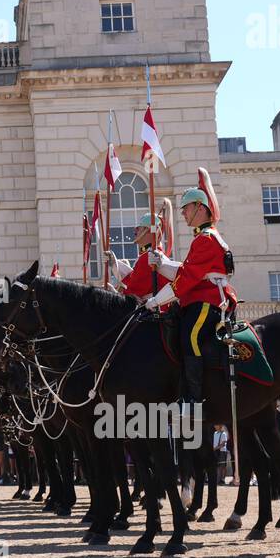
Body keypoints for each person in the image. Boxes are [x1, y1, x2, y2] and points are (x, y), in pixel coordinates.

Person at [145, 168, 237, 416]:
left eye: (186, 208)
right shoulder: (202, 239)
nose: (183, 213)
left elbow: (185, 281)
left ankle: (193, 401)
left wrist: (155, 300)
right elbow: (187, 271)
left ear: (199, 207)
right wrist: (162, 263)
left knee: (191, 338)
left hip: (208, 301)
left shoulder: (206, 240)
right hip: (199, 297)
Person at [107, 212, 171, 302]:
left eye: (138, 228)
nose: (135, 229)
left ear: (148, 230)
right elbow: (133, 278)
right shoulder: (147, 255)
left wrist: (111, 294)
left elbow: (133, 292)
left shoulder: (148, 256)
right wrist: (114, 263)